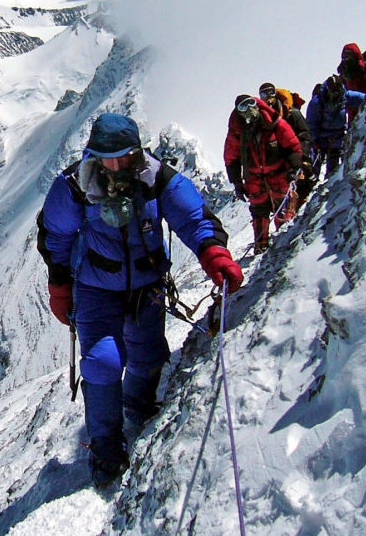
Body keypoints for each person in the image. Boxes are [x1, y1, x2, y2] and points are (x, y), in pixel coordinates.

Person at [37, 113, 244, 487]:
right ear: (93, 156)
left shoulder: (155, 179)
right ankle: (105, 445)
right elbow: (55, 236)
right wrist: (60, 285)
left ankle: (138, 405)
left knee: (148, 357)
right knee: (102, 361)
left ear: (137, 153)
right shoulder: (75, 187)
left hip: (146, 286)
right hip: (97, 289)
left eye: (123, 157)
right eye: (106, 158)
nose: (115, 166)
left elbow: (193, 217)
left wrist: (212, 251)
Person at [224, 95, 304, 254]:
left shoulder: (274, 123)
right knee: (259, 211)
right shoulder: (237, 132)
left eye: (250, 105)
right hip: (254, 178)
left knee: (283, 205)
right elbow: (231, 159)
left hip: (278, 173)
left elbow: (292, 146)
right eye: (242, 108)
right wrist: (237, 183)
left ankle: (286, 238)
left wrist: (294, 167)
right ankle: (261, 244)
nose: (248, 111)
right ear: (238, 112)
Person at [259, 82, 315, 208]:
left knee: (302, 185)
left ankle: (303, 210)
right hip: (279, 159)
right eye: (264, 94)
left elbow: (304, 135)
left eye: (270, 92)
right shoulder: (263, 117)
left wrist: (304, 158)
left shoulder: (292, 113)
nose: (268, 97)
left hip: (296, 154)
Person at [305, 75, 366, 179]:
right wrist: (315, 141)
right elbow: (312, 124)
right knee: (313, 170)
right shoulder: (317, 102)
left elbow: (362, 98)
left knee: (333, 169)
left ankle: (328, 188)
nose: (336, 94)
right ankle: (309, 187)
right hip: (321, 140)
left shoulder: (344, 96)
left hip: (338, 137)